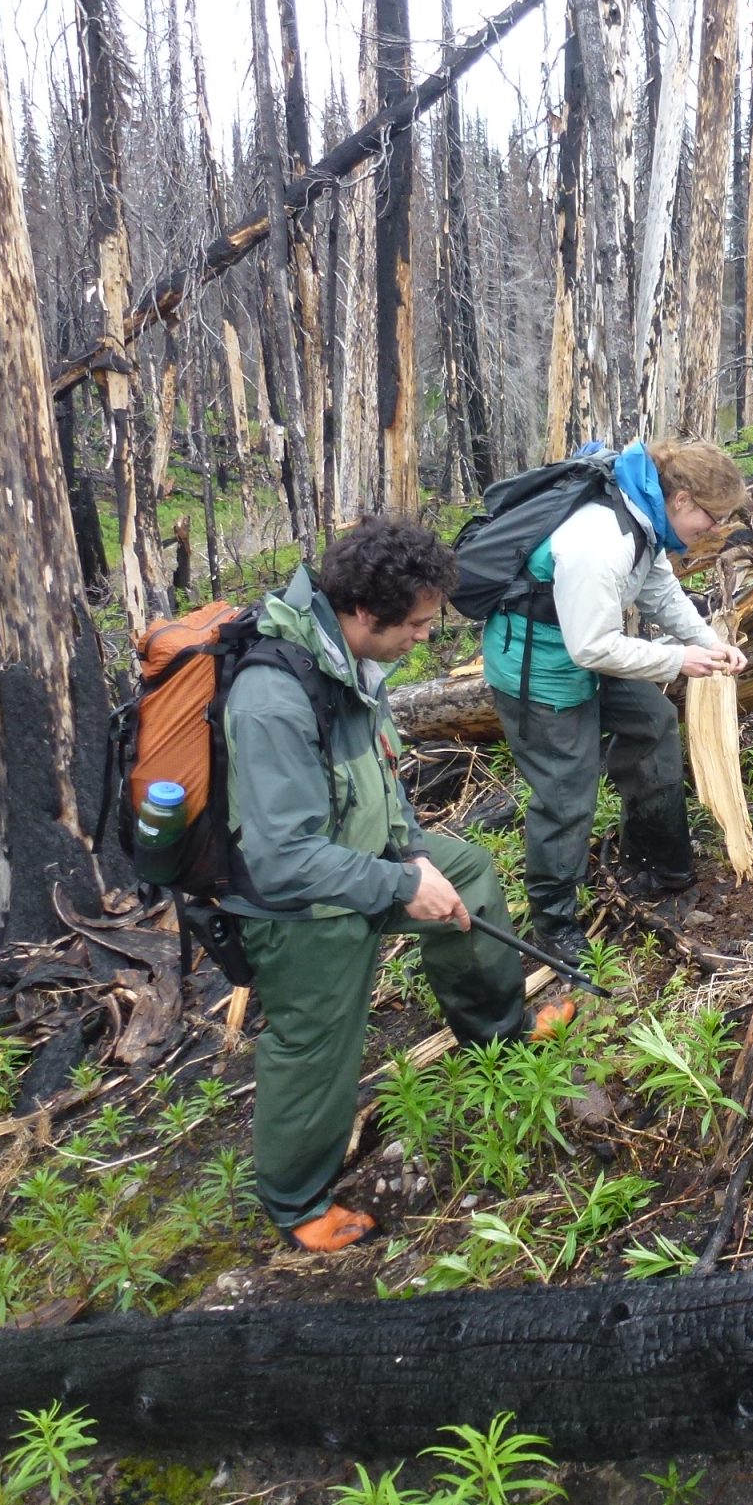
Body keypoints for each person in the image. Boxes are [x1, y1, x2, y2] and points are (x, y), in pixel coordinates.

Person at [222, 517, 565, 1254]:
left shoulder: (348, 659)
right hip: (295, 903)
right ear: (362, 613)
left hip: (363, 855)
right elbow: (283, 859)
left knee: (466, 872)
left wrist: (411, 854)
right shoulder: (273, 698)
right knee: (317, 1041)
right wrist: (396, 885)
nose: (423, 640)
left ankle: (498, 1035)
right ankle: (296, 1203)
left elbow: (378, 775)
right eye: (413, 624)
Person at [482, 437, 750, 965]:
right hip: (538, 672)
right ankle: (555, 923)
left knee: (651, 720)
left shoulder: (643, 519)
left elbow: (660, 594)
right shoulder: (600, 539)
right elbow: (591, 646)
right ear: (682, 500)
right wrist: (678, 661)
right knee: (566, 793)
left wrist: (706, 643)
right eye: (713, 518)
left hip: (582, 651)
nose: (715, 530)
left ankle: (654, 861)